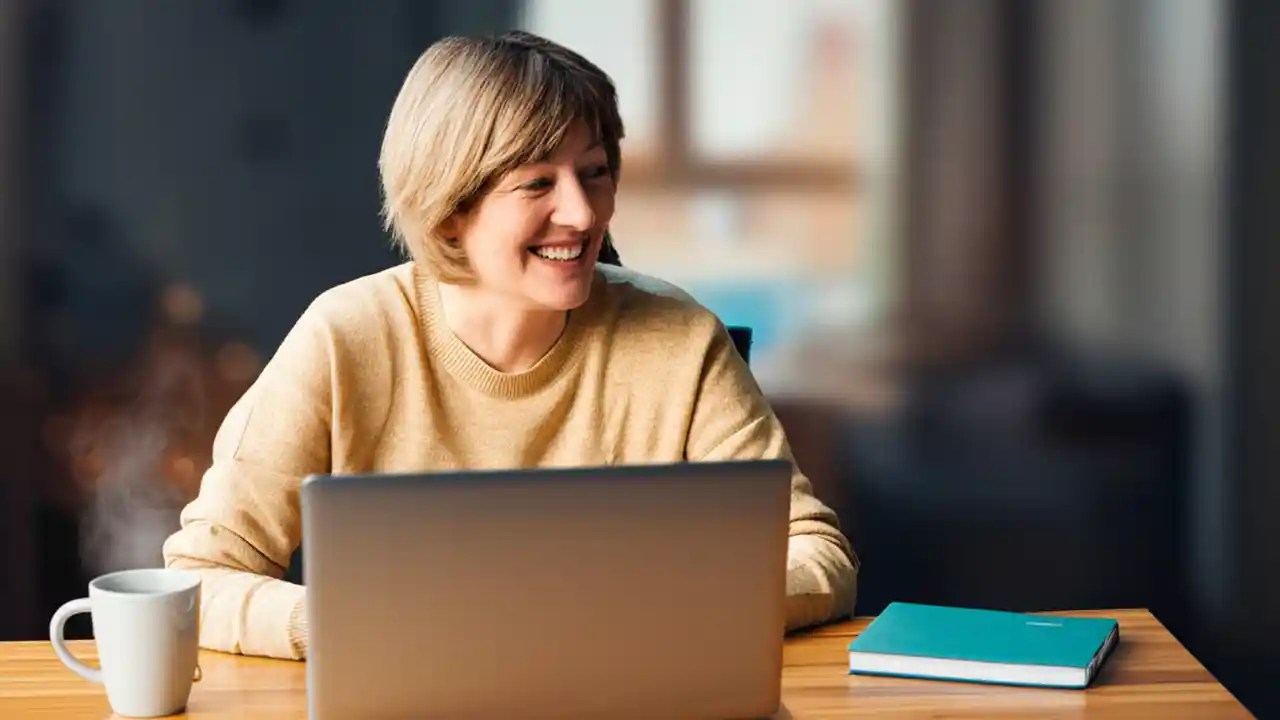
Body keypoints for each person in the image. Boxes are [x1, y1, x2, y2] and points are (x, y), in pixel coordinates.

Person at [162, 30, 858, 661]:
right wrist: (351, 625)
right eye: (537, 183)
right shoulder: (343, 339)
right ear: (450, 210)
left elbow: (815, 553)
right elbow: (200, 578)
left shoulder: (681, 338)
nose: (581, 214)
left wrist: (661, 612)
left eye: (594, 172)